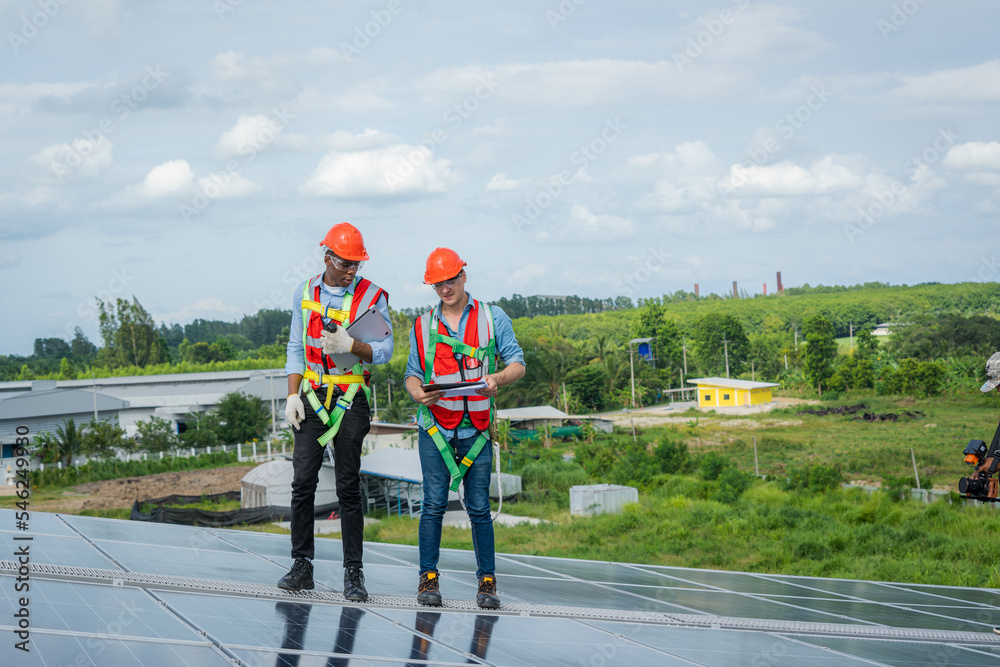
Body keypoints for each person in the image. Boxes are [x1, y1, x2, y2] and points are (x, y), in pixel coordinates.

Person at [404, 248, 525, 609]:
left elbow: (517, 364)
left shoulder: (492, 317)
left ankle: (487, 583)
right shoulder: (423, 325)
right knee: (433, 505)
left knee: (478, 508)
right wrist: (417, 394)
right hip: (436, 428)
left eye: (451, 280)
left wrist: (497, 378)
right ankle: (428, 580)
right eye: (438, 283)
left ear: (464, 276)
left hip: (477, 428)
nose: (445, 288)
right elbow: (412, 373)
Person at [278, 222, 393, 601]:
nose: (351, 271)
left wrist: (352, 344)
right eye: (345, 263)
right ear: (327, 257)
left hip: (350, 398)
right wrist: (292, 395)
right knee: (302, 483)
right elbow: (296, 346)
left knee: (347, 485)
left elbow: (386, 352)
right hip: (310, 396)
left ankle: (354, 573)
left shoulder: (372, 296)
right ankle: (301, 566)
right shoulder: (304, 292)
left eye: (356, 265)